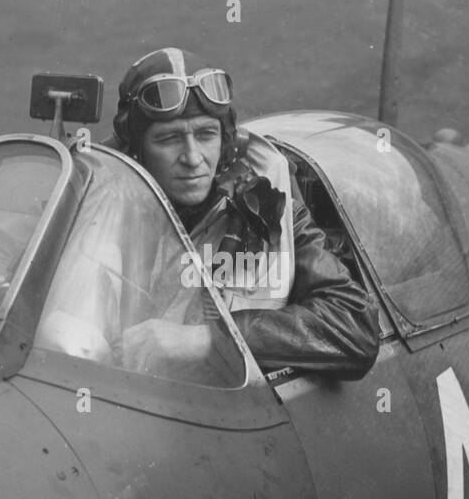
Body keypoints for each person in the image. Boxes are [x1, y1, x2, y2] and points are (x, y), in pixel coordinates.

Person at [105, 47, 380, 381]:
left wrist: (209, 339)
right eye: (169, 139)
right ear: (137, 149)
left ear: (226, 143)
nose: (192, 158)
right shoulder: (103, 210)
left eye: (206, 135)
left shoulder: (271, 210)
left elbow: (354, 326)